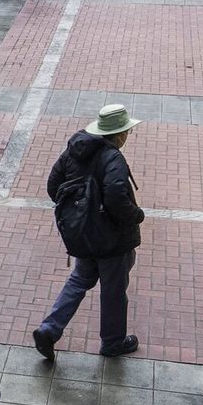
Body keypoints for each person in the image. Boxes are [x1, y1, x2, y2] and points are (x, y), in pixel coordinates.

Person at [33, 105, 145, 359]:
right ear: (119, 135)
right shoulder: (113, 157)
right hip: (112, 240)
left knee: (79, 279)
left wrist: (79, 213)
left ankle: (49, 329)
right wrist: (136, 216)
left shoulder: (75, 150)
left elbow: (53, 186)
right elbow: (117, 197)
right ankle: (113, 342)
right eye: (126, 131)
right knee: (113, 289)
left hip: (82, 234)